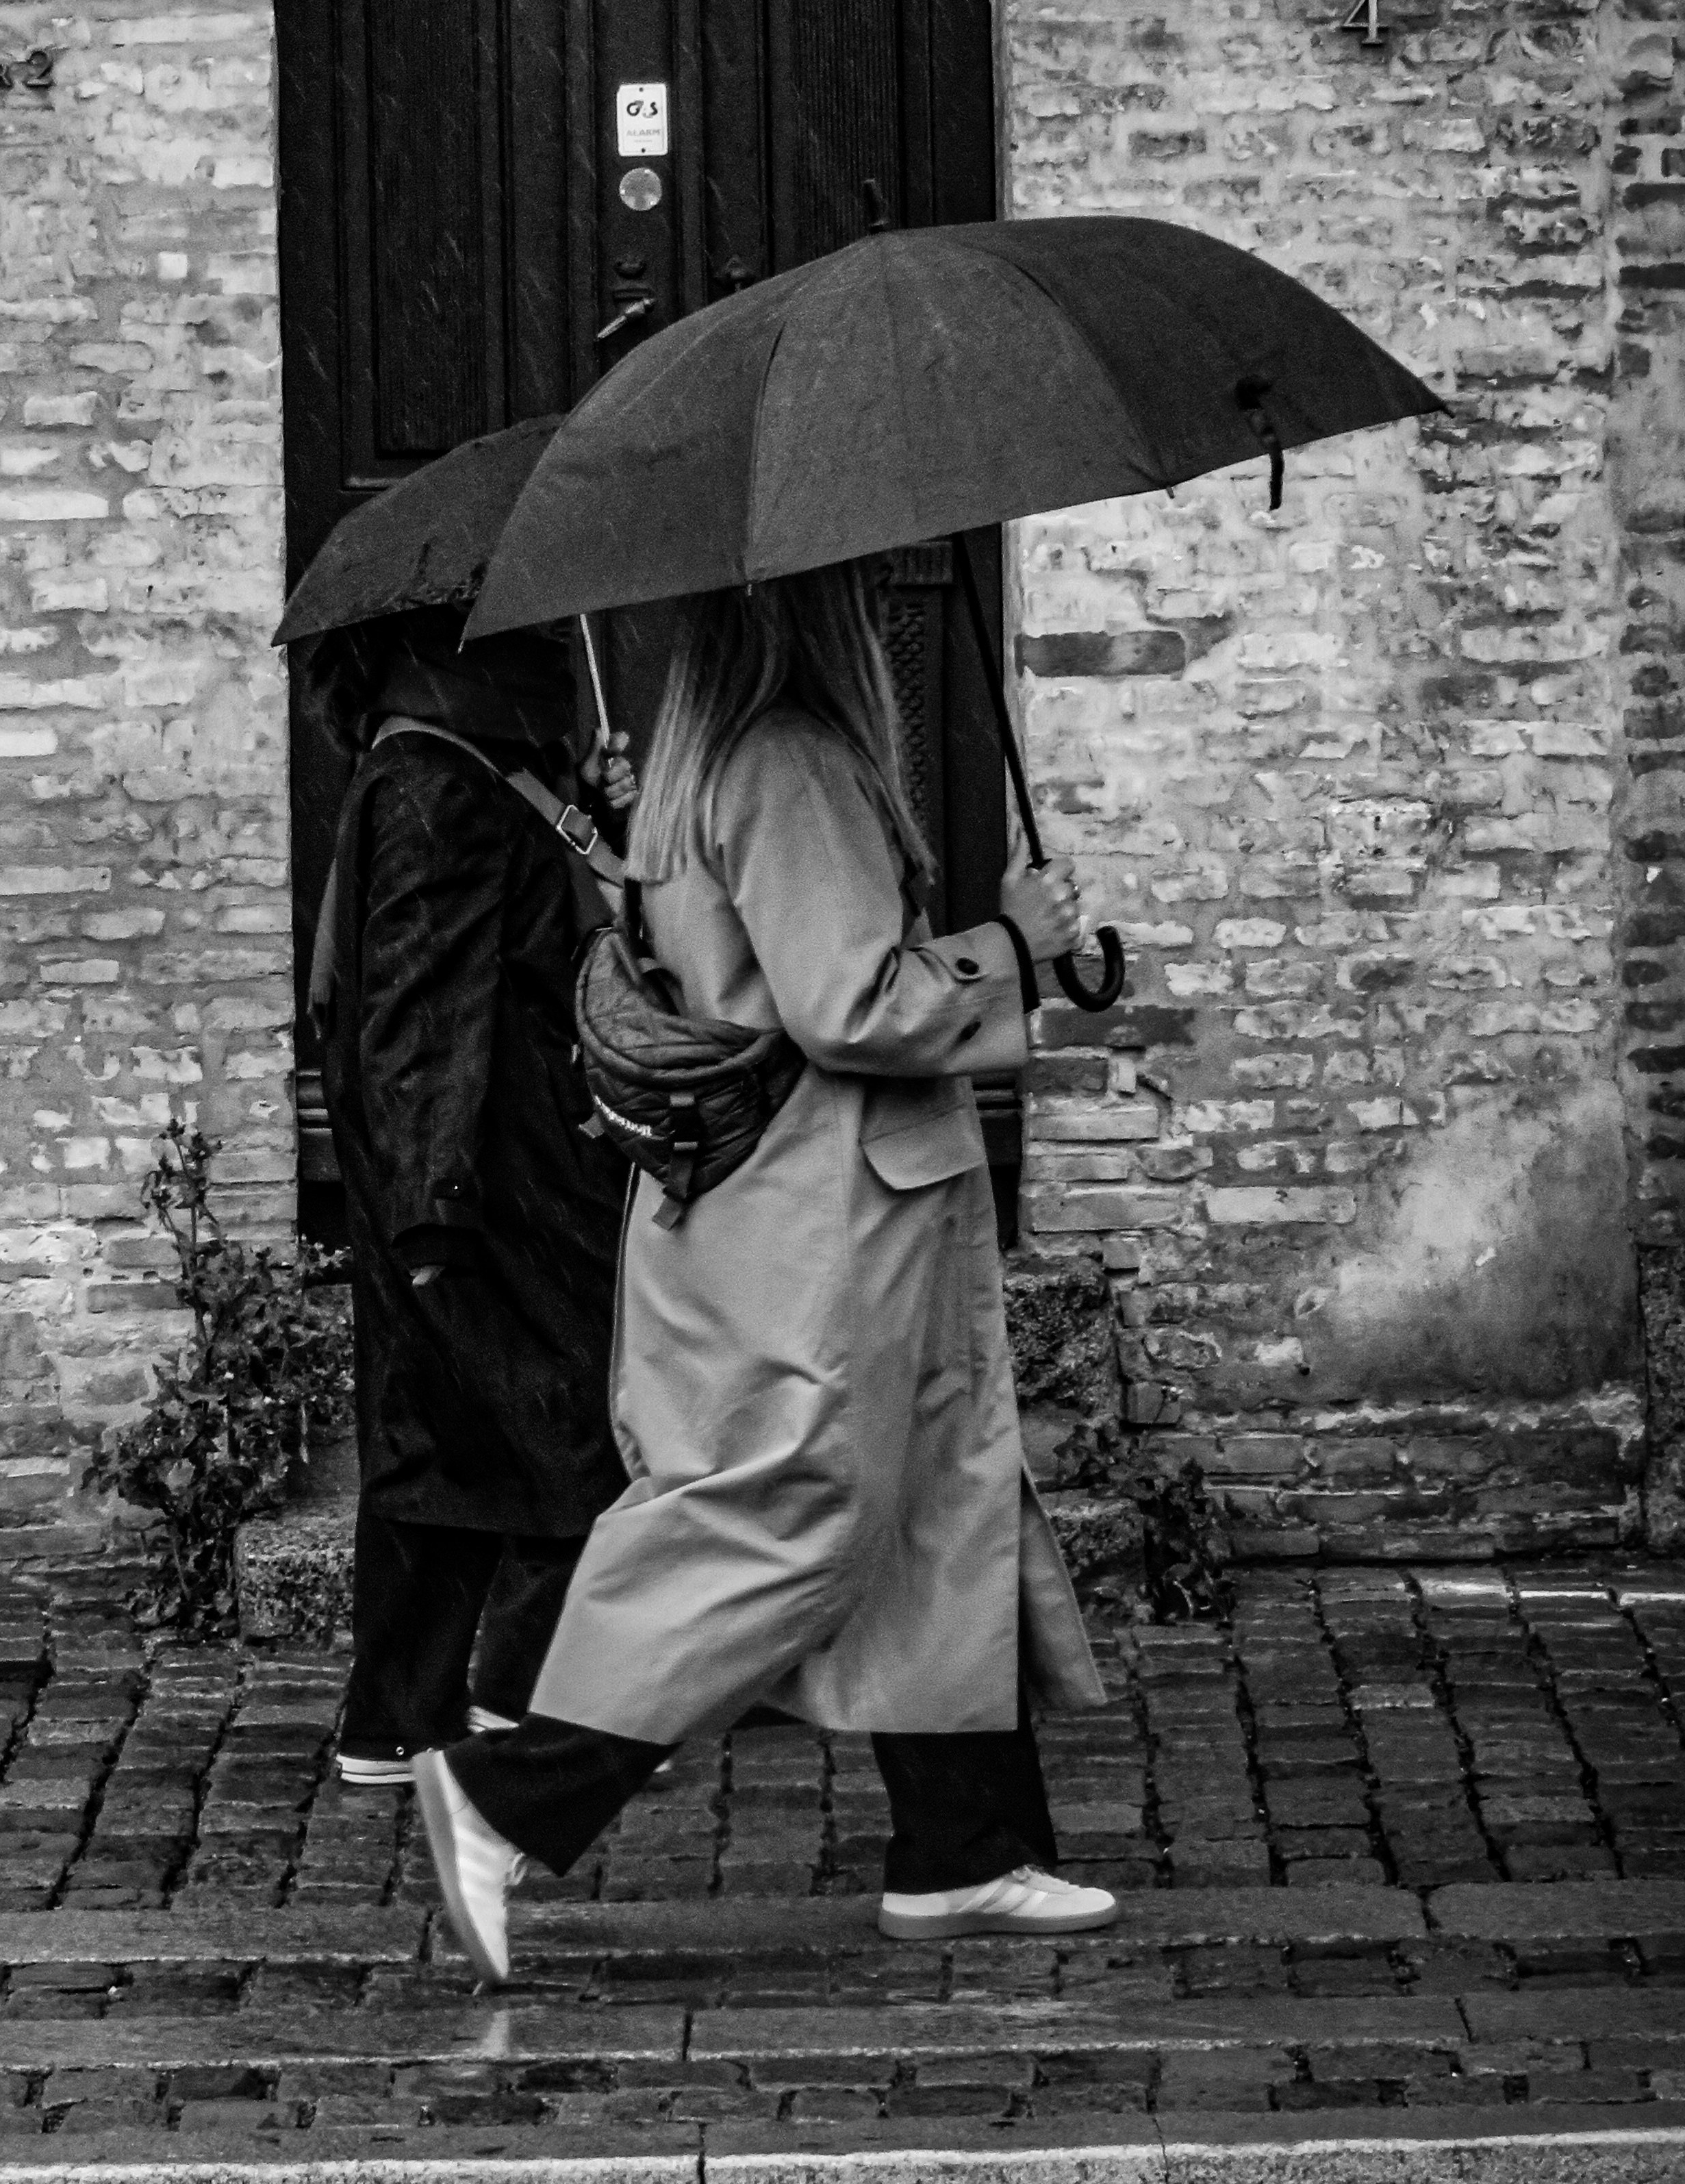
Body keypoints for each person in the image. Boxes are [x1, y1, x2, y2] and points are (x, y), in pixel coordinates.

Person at [409, 555, 1114, 1981]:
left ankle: (964, 1853)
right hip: (824, 1214)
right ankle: (509, 1798)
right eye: (855, 600)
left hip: (796, 1205)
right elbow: (850, 1001)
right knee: (779, 1517)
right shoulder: (789, 764)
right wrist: (1013, 950)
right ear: (822, 617)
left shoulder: (698, 767)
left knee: (924, 1510)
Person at [310, 603, 633, 1784]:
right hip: (502, 1184)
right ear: (456, 648)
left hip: (470, 1180)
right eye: (524, 633)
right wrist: (435, 1216)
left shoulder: (460, 768)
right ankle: (515, 1708)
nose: (550, 648)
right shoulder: (435, 783)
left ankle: (395, 1723)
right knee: (584, 1440)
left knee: (439, 1455)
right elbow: (417, 1011)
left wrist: (581, 810)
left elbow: (514, 937)